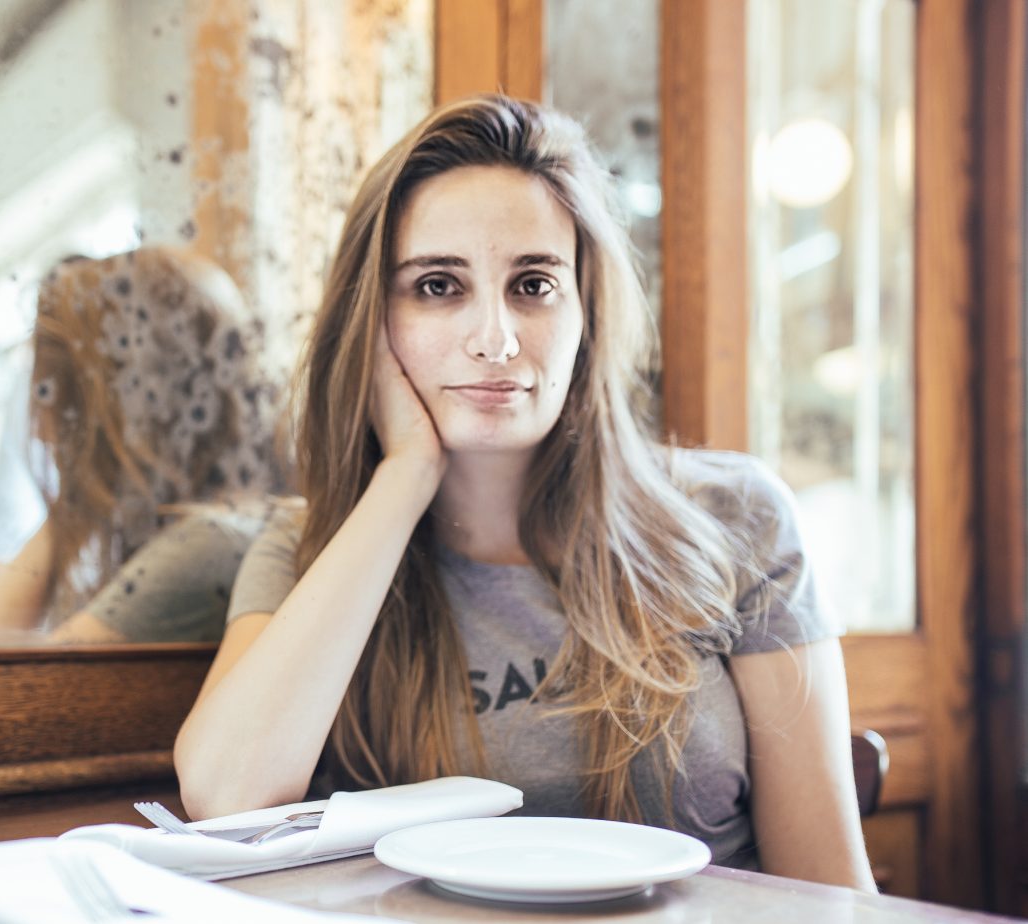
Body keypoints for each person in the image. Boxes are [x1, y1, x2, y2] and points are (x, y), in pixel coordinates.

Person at [174, 95, 875, 890]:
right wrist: (406, 478)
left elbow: (832, 890)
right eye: (437, 286)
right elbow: (225, 797)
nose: (495, 339)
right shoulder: (311, 551)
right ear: (371, 324)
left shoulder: (736, 518)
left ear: (587, 311)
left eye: (534, 284)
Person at [0, 246, 283, 644]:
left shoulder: (203, 546)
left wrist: (80, 490)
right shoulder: (234, 524)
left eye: (51, 395)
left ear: (96, 410)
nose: (40, 432)